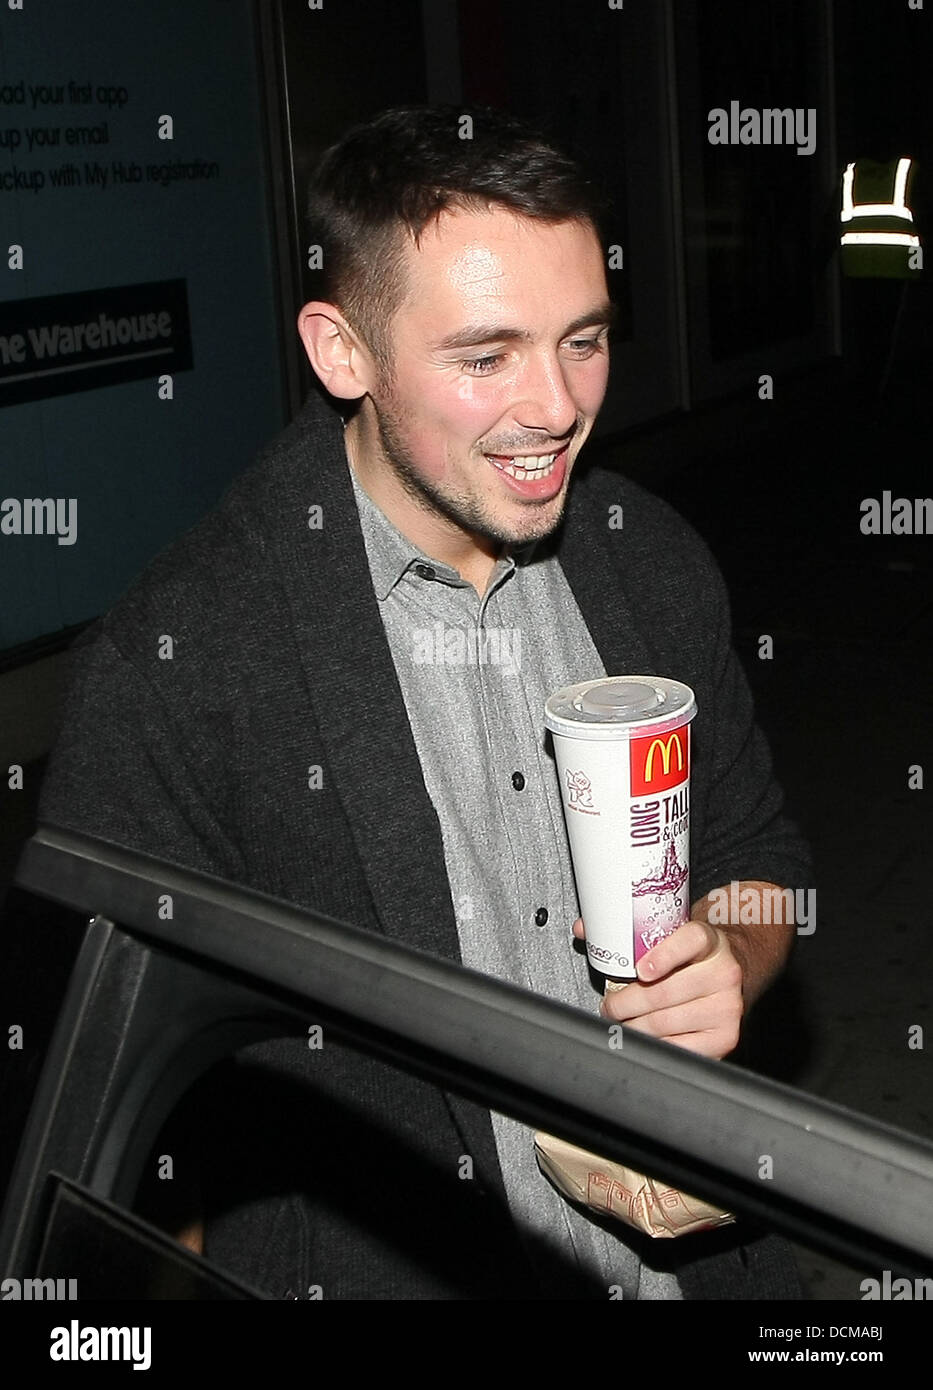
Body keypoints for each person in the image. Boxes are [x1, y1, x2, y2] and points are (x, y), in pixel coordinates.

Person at [39, 104, 811, 1300]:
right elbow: (115, 1120)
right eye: (486, 355)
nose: (556, 406)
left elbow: (762, 859)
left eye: (585, 339)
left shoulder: (650, 562)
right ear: (343, 352)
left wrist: (733, 955)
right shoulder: (178, 667)